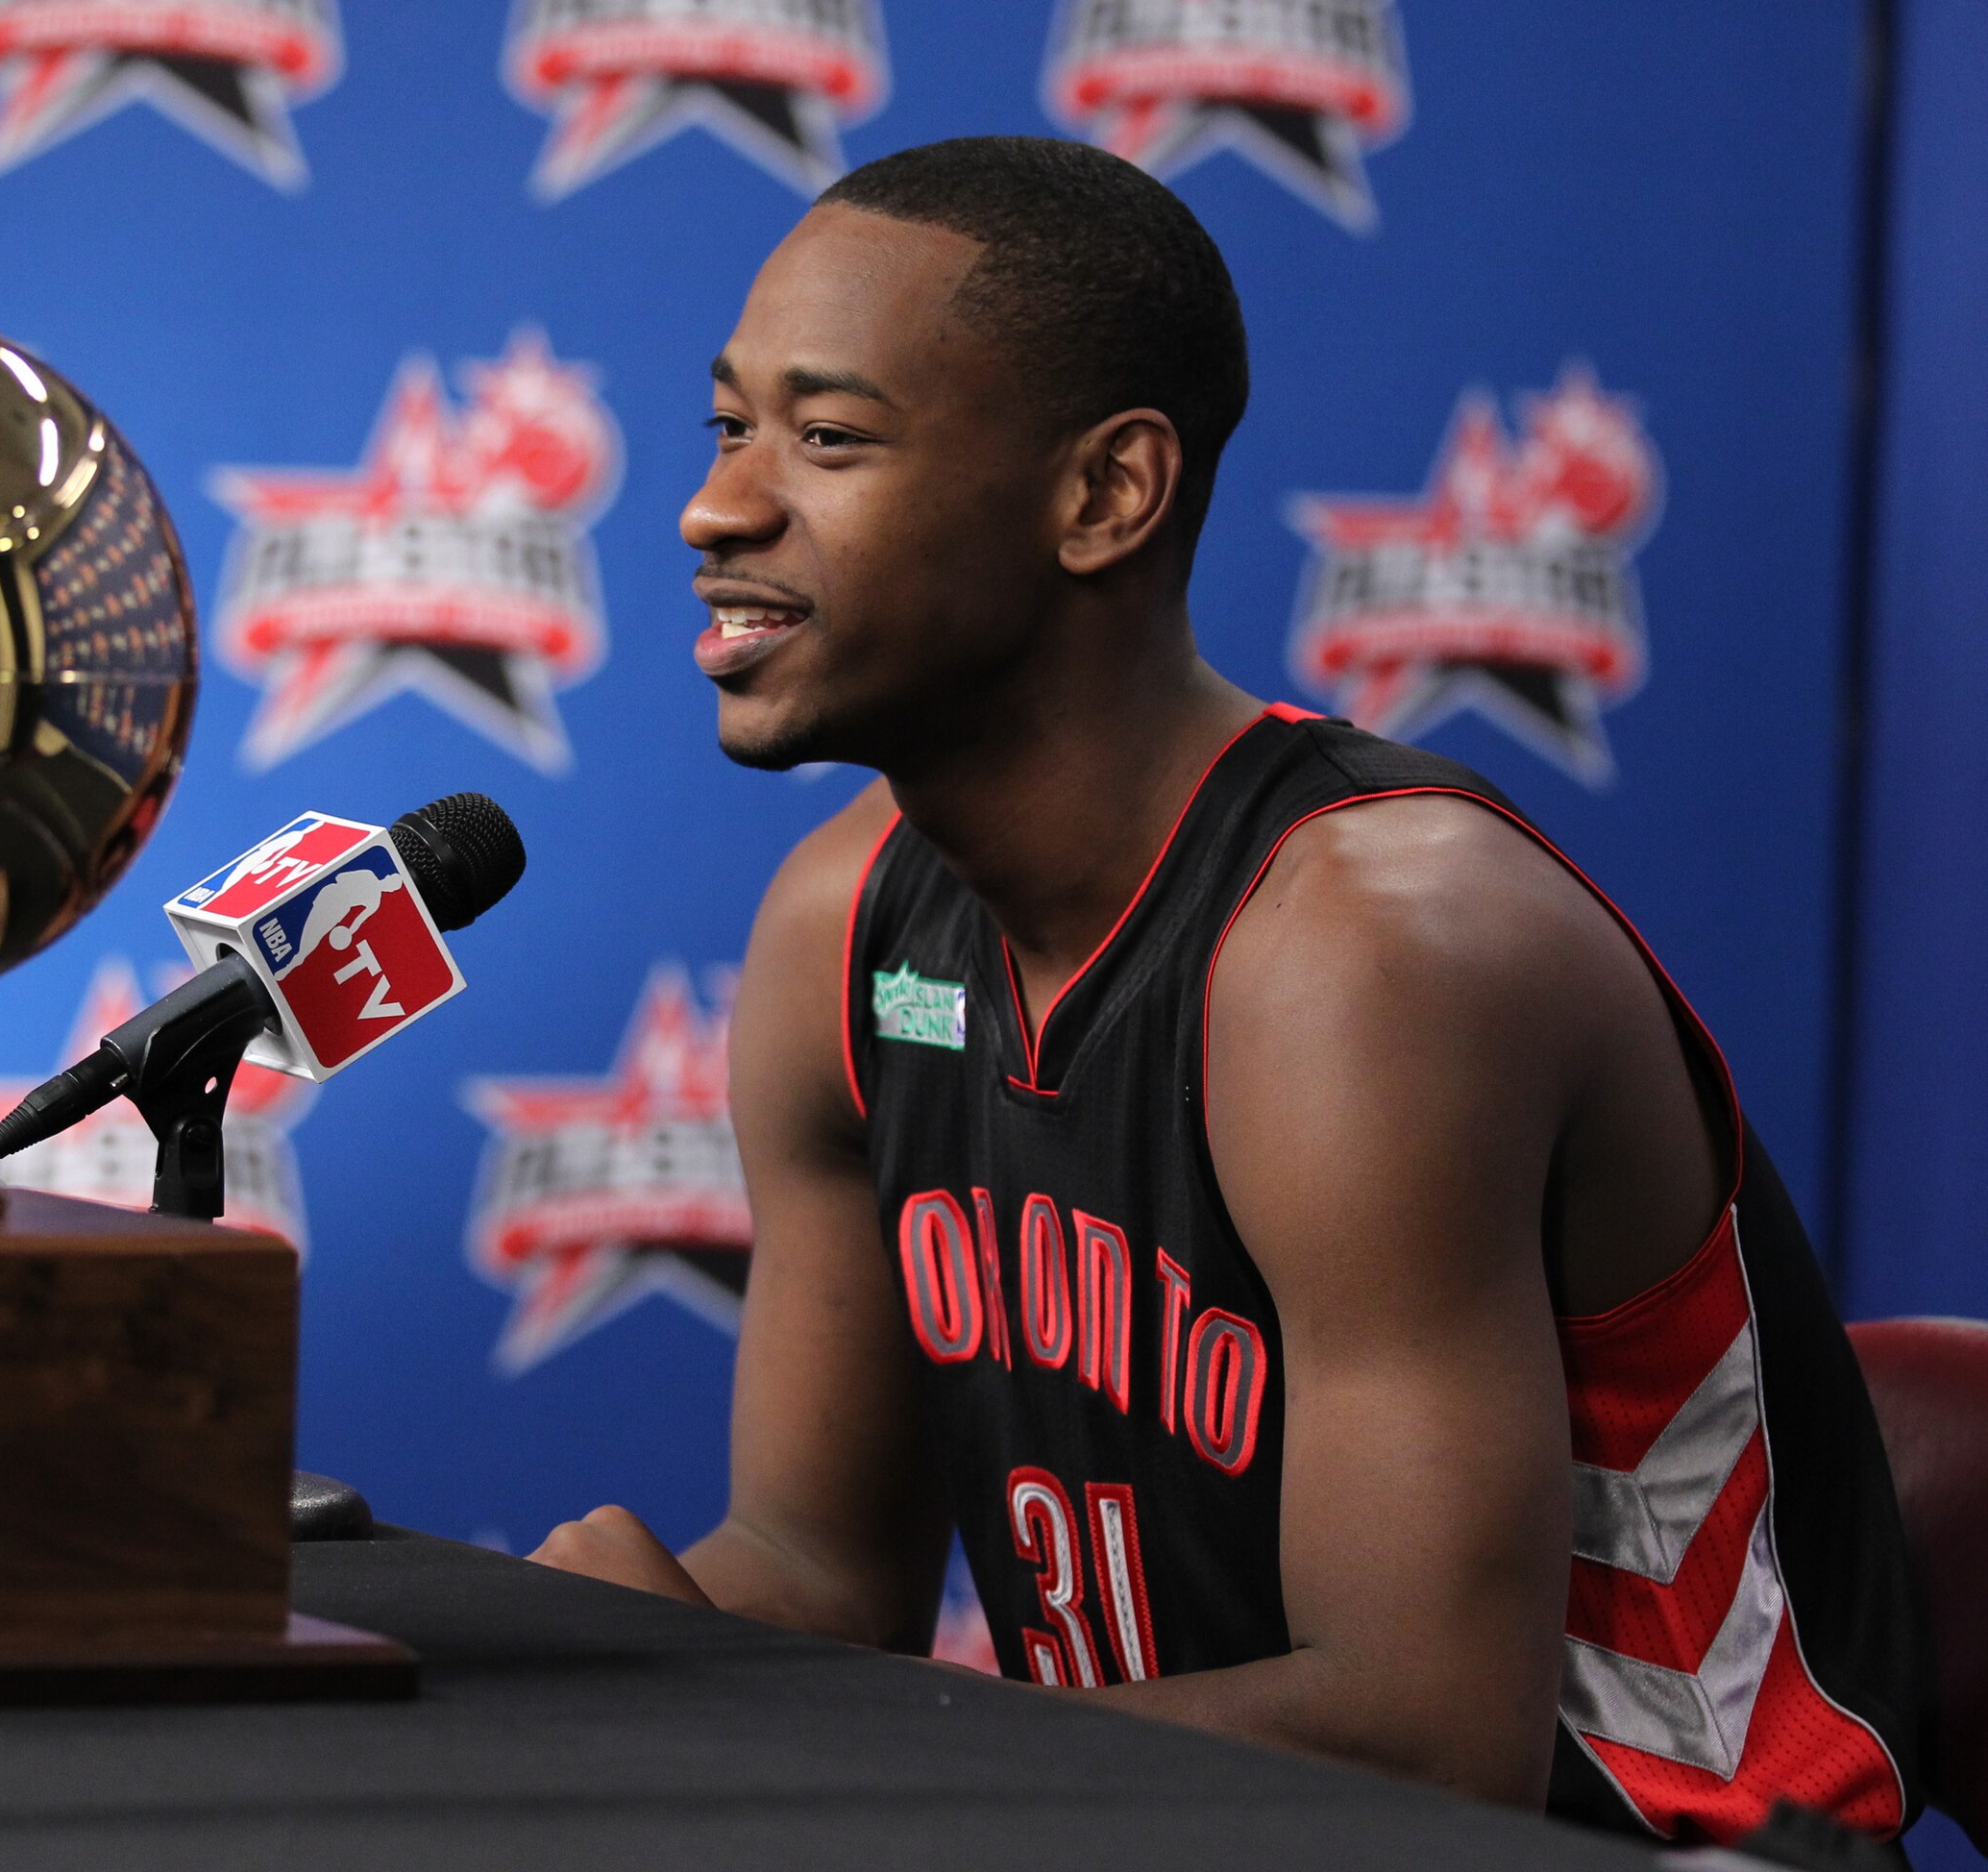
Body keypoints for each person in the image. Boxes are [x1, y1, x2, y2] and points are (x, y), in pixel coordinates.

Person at [529, 135, 1926, 1848]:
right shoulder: (848, 931)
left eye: (828, 440)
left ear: (1104, 496)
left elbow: (1423, 1745)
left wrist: (789, 1731)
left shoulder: (1364, 955)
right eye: (729, 428)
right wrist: (616, 1642)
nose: (717, 506)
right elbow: (824, 1572)